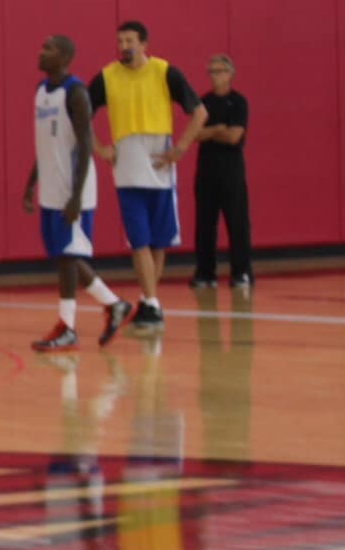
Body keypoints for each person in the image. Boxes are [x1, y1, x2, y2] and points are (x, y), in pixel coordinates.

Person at [89, 21, 207, 331]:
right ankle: (152, 304)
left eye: (130, 40)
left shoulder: (165, 72)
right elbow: (79, 112)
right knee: (138, 239)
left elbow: (199, 112)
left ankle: (149, 301)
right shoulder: (107, 76)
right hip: (127, 163)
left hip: (159, 161)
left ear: (144, 44)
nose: (124, 45)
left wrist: (180, 147)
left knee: (159, 240)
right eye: (120, 40)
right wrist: (99, 147)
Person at [22, 35, 131, 353]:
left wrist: (76, 196)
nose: (41, 52)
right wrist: (31, 183)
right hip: (51, 188)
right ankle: (113, 304)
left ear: (66, 56)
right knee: (63, 255)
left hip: (74, 188)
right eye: (42, 47)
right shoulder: (41, 92)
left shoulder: (76, 92)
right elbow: (45, 146)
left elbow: (85, 145)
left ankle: (68, 326)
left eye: (49, 49)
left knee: (69, 256)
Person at [189, 55, 252, 291]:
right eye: (211, 71)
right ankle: (205, 273)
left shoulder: (238, 102)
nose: (215, 76)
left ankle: (241, 273)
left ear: (230, 74)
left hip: (232, 172)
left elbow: (235, 135)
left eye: (220, 71)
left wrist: (211, 133)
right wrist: (216, 129)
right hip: (206, 171)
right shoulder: (202, 102)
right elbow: (195, 134)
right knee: (205, 224)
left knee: (237, 224)